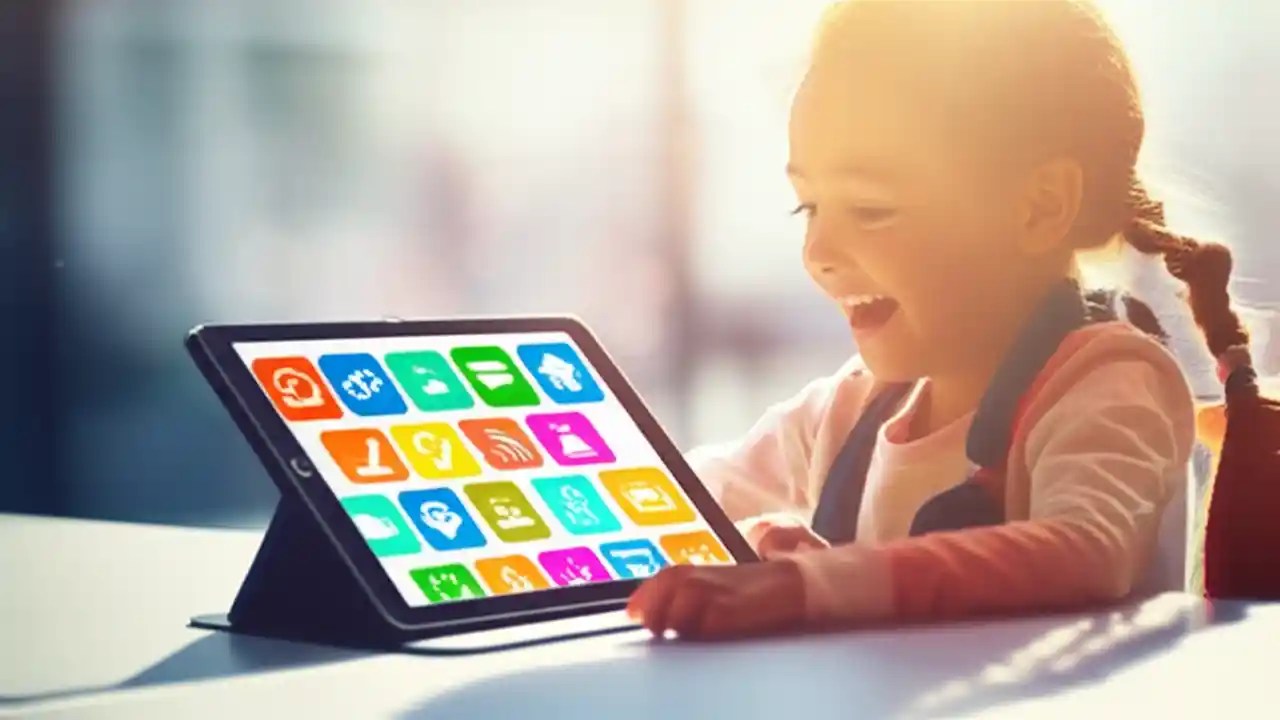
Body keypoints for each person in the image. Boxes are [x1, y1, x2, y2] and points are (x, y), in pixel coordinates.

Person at [627, 0, 1253, 639]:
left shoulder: (1109, 384)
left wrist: (813, 585)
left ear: (1038, 209)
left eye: (870, 209)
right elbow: (678, 505)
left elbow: (1083, 549)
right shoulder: (846, 416)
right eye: (808, 208)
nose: (818, 256)